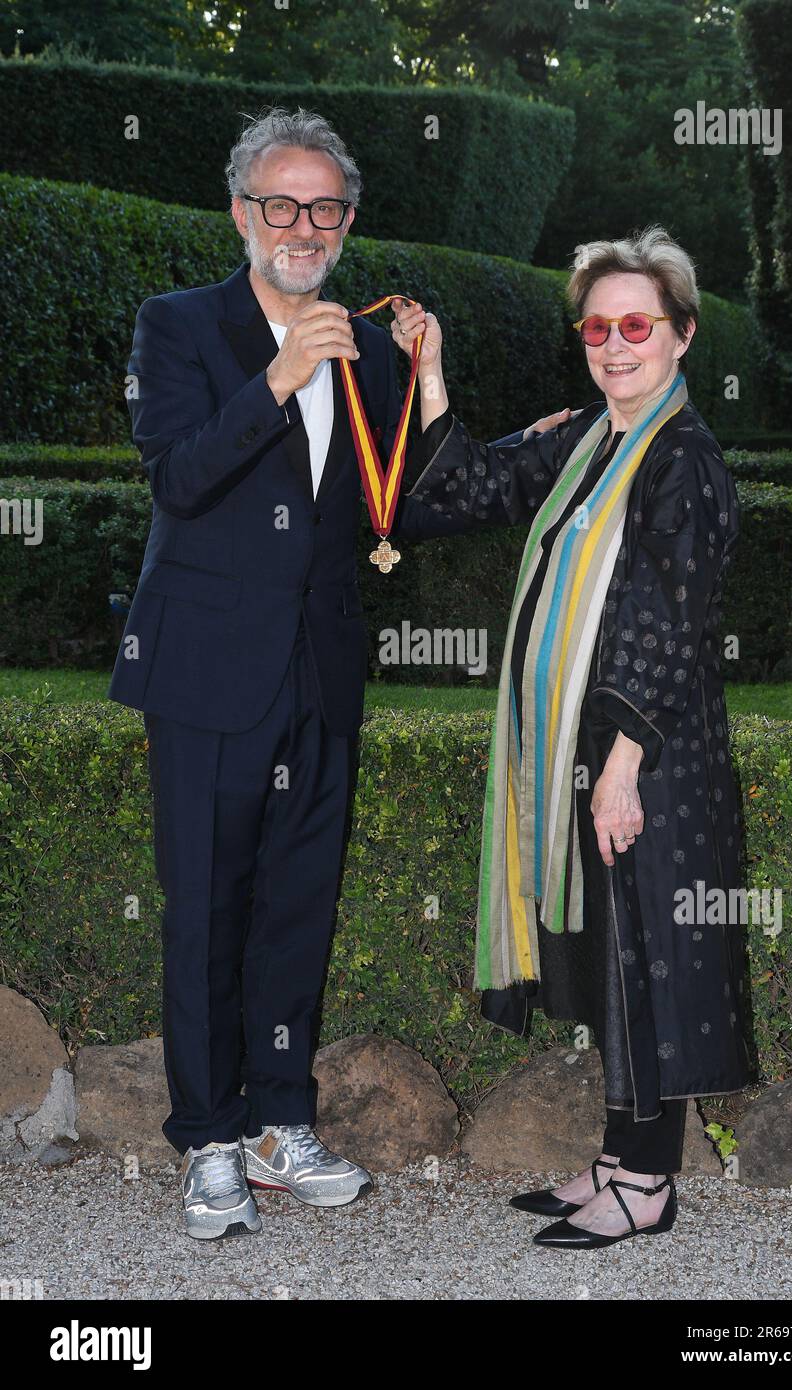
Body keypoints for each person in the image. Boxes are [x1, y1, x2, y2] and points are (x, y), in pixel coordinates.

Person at [107, 106, 503, 1239]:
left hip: (321, 670)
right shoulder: (178, 325)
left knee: (295, 908)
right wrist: (278, 377)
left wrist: (429, 387)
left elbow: (401, 514)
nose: (303, 223)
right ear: (242, 212)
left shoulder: (371, 345)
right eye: (280, 202)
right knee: (207, 912)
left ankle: (282, 1123)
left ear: (346, 219)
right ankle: (209, 1140)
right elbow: (177, 478)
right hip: (205, 673)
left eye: (324, 206)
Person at [391, 225, 756, 1250]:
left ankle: (646, 1185)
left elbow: (665, 619)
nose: (612, 342)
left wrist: (623, 769)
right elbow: (463, 491)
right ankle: (613, 1158)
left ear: (680, 336)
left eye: (635, 323)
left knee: (646, 962)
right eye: (596, 326)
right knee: (610, 958)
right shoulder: (587, 440)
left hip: (647, 757)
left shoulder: (681, 458)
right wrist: (430, 376)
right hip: (578, 752)